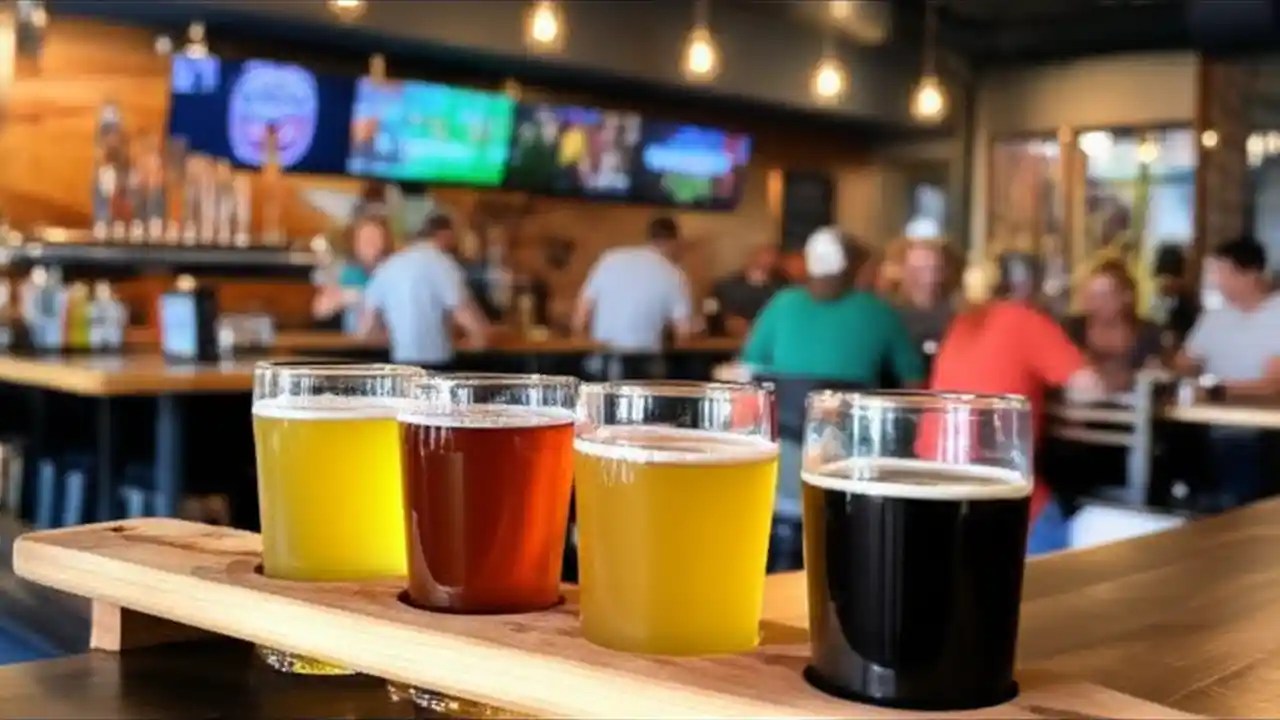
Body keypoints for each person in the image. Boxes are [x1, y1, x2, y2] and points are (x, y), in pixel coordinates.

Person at [742, 227, 926, 570]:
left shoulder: (781, 304)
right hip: (851, 463)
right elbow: (913, 384)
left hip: (783, 465)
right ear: (854, 268)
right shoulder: (879, 312)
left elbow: (749, 369)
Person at [930, 251, 1105, 556]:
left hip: (938, 489)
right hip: (997, 491)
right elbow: (1090, 388)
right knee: (1056, 527)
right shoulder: (1027, 320)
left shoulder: (961, 324)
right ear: (1029, 285)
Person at [1175, 236, 1280, 507]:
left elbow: (1273, 386)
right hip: (1205, 426)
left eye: (1223, 273)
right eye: (1214, 273)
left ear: (1251, 273)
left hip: (1259, 433)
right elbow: (1184, 363)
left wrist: (1216, 390)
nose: (1216, 281)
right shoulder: (1215, 316)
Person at [358, 214, 490, 369]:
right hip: (438, 367)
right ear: (445, 235)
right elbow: (475, 326)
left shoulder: (387, 267)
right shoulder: (443, 264)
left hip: (399, 366)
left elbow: (366, 331)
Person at [572, 216, 693, 378]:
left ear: (650, 237)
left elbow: (581, 314)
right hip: (645, 365)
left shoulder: (610, 258)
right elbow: (683, 335)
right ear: (674, 241)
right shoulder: (673, 273)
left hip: (603, 362)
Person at [1062, 260, 1163, 392]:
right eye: (1091, 295)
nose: (1095, 303)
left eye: (1104, 295)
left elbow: (1162, 369)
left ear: (1126, 297)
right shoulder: (1072, 329)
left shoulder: (1148, 333)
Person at [312, 213, 391, 335]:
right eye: (365, 239)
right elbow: (320, 311)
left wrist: (358, 296)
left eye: (375, 238)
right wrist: (337, 300)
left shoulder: (392, 271)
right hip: (352, 341)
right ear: (355, 243)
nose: (370, 244)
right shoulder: (343, 270)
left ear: (384, 242)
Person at [893, 240, 956, 353]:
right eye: (920, 269)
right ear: (904, 271)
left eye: (935, 268)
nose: (930, 276)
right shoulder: (891, 316)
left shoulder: (953, 315)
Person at [711, 245, 785, 337]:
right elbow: (725, 320)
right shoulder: (726, 287)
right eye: (761, 261)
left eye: (771, 262)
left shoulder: (782, 288)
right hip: (733, 342)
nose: (767, 263)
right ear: (750, 259)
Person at [1152, 243, 1200, 348]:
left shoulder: (1188, 306)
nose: (1164, 283)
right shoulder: (1159, 301)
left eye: (1169, 278)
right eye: (1162, 278)